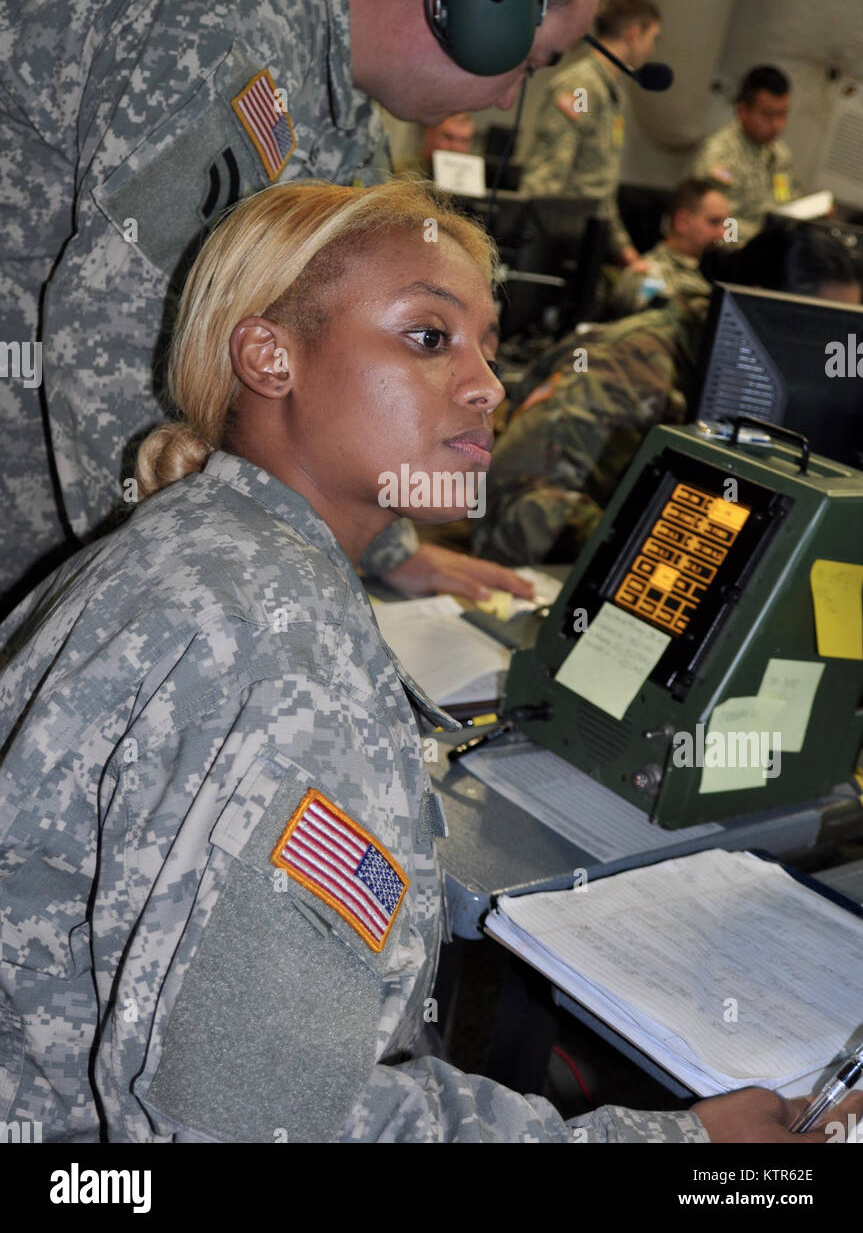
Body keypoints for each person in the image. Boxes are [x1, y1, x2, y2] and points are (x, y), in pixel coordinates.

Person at [4, 180, 855, 1146]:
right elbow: (255, 1127)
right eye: (427, 337)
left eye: (486, 344)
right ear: (267, 357)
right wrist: (681, 1148)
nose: (488, 383)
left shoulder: (215, 542)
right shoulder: (278, 657)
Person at [0, 0, 605, 618]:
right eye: (532, 62)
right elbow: (117, 331)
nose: (510, 95)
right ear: (486, 4)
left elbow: (326, 364)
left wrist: (388, 554)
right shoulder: (221, 6)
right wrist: (172, 614)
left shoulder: (333, 92)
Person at [472, 296, 709, 567]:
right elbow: (526, 511)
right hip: (513, 543)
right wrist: (661, 557)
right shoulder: (633, 362)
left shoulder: (675, 346)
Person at [519, 0, 661, 270]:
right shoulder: (582, 87)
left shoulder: (609, 90)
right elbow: (549, 173)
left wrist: (625, 251)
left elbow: (599, 185)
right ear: (633, 34)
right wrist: (532, 251)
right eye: (652, 39)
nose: (652, 49)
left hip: (584, 235)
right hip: (556, 240)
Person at [690, 66, 802, 246]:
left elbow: (787, 201)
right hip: (730, 253)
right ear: (743, 111)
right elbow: (714, 222)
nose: (777, 125)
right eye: (768, 115)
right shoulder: (719, 155)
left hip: (771, 248)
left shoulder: (779, 154)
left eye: (783, 114)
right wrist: (744, 248)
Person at [611, 178, 729, 316]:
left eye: (725, 224)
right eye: (714, 222)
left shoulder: (708, 272)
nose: (722, 232)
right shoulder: (649, 275)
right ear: (683, 221)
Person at [396, 112, 476, 179]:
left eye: (464, 141)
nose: (456, 147)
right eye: (448, 137)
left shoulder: (475, 181)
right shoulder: (402, 173)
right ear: (429, 134)